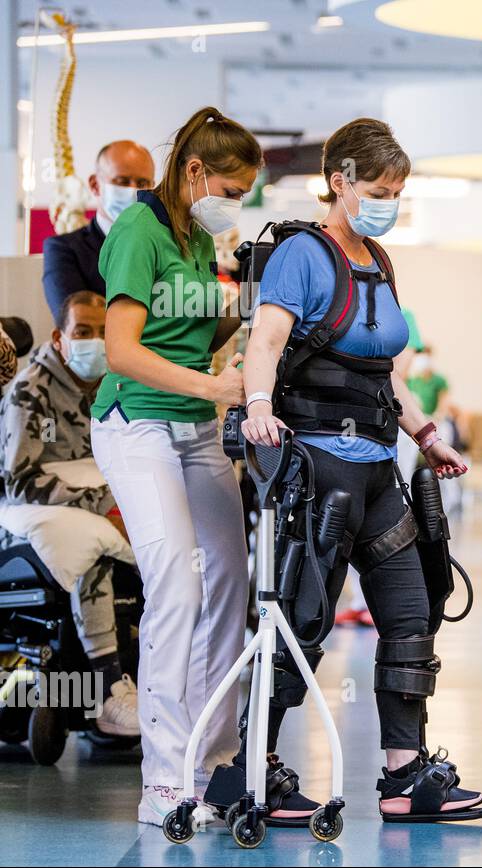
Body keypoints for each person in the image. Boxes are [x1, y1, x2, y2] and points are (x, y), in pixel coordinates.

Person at [237, 117, 482, 824]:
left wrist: (425, 433)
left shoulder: (379, 260)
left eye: (398, 191)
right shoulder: (302, 255)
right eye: (380, 189)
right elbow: (267, 337)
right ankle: (252, 768)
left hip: (381, 465)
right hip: (318, 465)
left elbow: (382, 372)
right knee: (303, 623)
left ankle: (404, 775)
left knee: (413, 614)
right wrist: (258, 406)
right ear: (339, 181)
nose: (389, 201)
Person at [90, 107, 259, 825]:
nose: (236, 202)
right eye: (232, 187)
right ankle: (164, 779)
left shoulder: (196, 237)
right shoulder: (138, 230)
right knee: (177, 586)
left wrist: (253, 297)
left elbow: (193, 327)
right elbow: (122, 349)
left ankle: (213, 761)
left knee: (231, 582)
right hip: (135, 422)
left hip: (193, 429)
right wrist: (216, 387)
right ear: (195, 172)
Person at [0, 291, 137, 737]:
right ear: (59, 337)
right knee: (86, 545)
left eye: (102, 332)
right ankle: (110, 691)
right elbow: (18, 480)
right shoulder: (30, 391)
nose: (94, 342)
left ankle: (156, 686)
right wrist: (100, 505)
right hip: (33, 510)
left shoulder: (117, 382)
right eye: (82, 332)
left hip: (107, 496)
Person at [41, 140, 156, 322]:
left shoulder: (163, 245)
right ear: (95, 185)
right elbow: (78, 324)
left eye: (142, 183)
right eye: (122, 181)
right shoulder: (64, 250)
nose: (133, 190)